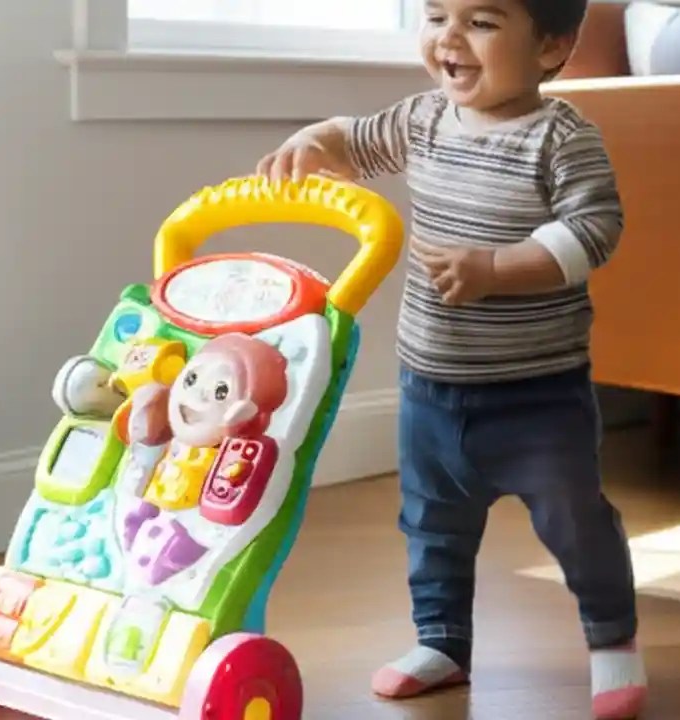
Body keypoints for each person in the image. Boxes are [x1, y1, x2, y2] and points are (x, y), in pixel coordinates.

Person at [255, 0, 647, 718]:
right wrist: (315, 139)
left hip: (538, 393)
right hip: (430, 384)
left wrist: (498, 269)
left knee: (573, 519)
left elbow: (596, 229)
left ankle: (611, 640)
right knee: (432, 522)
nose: (449, 39)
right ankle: (441, 641)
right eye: (436, 16)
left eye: (483, 22)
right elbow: (355, 140)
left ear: (552, 48)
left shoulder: (562, 139)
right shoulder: (422, 119)